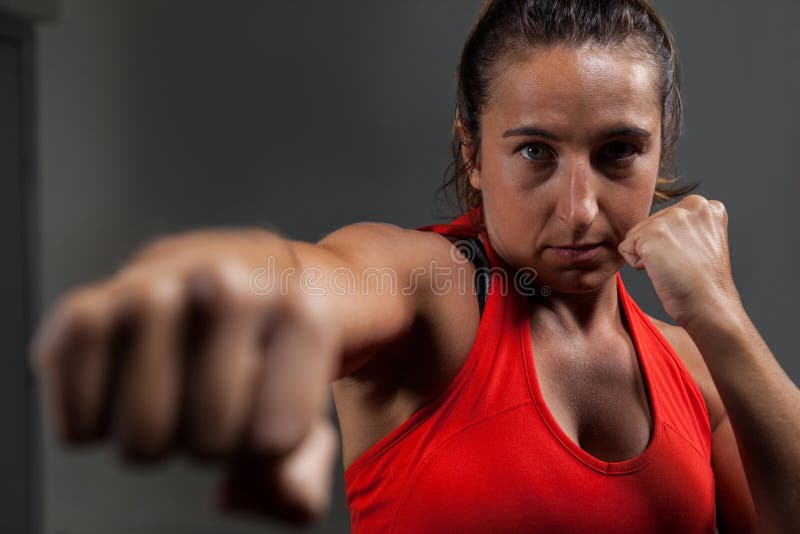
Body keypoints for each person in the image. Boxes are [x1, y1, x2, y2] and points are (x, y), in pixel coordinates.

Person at [30, 0, 800, 532]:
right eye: (534, 151)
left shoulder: (693, 362)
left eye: (617, 153)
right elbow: (319, 281)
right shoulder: (434, 294)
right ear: (472, 150)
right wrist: (227, 290)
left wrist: (722, 315)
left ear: (659, 147)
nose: (578, 208)